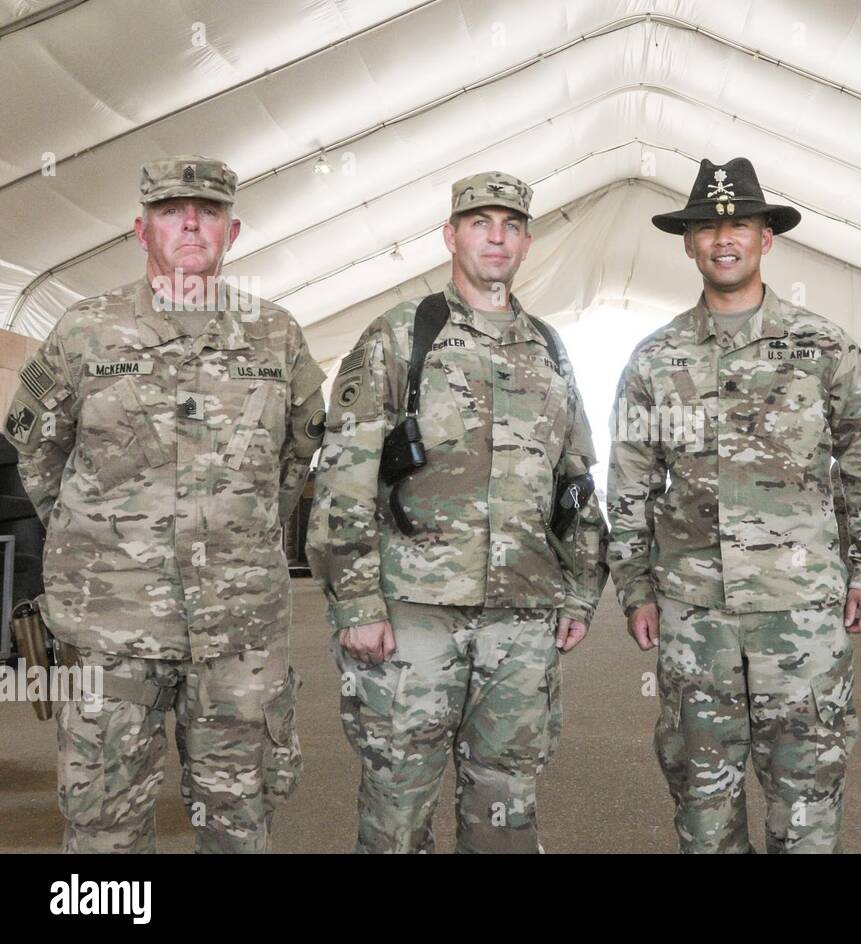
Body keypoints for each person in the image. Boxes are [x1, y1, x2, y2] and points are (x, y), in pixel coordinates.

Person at [2, 156, 324, 852]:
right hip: (110, 630)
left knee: (240, 819)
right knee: (102, 824)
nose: (189, 222)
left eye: (207, 211)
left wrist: (236, 537)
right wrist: (100, 548)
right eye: (172, 210)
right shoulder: (85, 331)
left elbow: (296, 460)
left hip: (239, 632)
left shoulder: (275, 335)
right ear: (139, 228)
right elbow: (36, 456)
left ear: (231, 231)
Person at [607, 157, 861, 853]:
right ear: (688, 242)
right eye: (707, 228)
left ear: (766, 237)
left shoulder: (824, 347)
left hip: (800, 613)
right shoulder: (655, 360)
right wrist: (634, 589)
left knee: (807, 798)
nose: (723, 239)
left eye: (738, 223)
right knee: (702, 801)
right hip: (694, 615)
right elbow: (629, 484)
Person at [307, 171, 608, 853]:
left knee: (506, 803)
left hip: (521, 617)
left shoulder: (549, 349)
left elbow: (575, 480)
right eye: (480, 223)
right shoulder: (400, 337)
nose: (495, 237)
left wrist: (582, 591)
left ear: (527, 242)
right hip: (413, 614)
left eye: (509, 225)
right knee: (397, 801)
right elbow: (343, 477)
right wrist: (357, 604)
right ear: (451, 236)